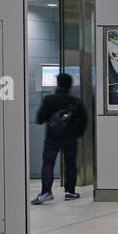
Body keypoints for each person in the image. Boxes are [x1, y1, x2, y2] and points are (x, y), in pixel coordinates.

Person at [32, 72, 87, 205]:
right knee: (70, 165)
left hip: (52, 138)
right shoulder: (76, 101)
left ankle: (46, 192)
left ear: (57, 84)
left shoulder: (49, 99)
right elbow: (84, 120)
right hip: (70, 138)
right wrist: (77, 133)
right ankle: (70, 192)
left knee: (48, 164)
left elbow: (40, 118)